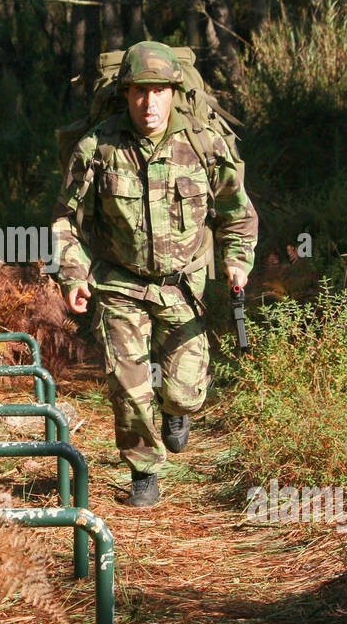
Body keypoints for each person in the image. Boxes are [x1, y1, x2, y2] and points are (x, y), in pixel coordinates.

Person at [51, 40, 258, 506]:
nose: (149, 103)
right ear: (125, 94)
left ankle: (176, 409)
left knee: (185, 394)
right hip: (119, 283)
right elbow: (65, 219)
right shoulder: (98, 146)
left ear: (173, 92)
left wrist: (236, 260)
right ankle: (144, 472)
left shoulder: (204, 145)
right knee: (127, 382)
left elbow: (237, 213)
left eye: (159, 91)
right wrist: (74, 274)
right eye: (140, 91)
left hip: (184, 285)